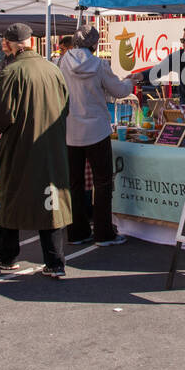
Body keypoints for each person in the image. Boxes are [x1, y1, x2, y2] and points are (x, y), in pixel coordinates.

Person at [0, 22, 72, 277]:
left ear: (8, 45)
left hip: (21, 146)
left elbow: (0, 117)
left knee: (13, 198)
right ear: (32, 42)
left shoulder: (11, 72)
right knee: (51, 202)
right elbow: (66, 107)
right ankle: (55, 263)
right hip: (52, 145)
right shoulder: (53, 69)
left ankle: (6, 256)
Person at [59, 24, 133, 247]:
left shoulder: (63, 61)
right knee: (102, 183)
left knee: (75, 183)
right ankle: (103, 233)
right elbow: (119, 91)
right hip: (97, 130)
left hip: (70, 129)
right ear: (95, 44)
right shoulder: (100, 65)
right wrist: (131, 81)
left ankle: (77, 232)